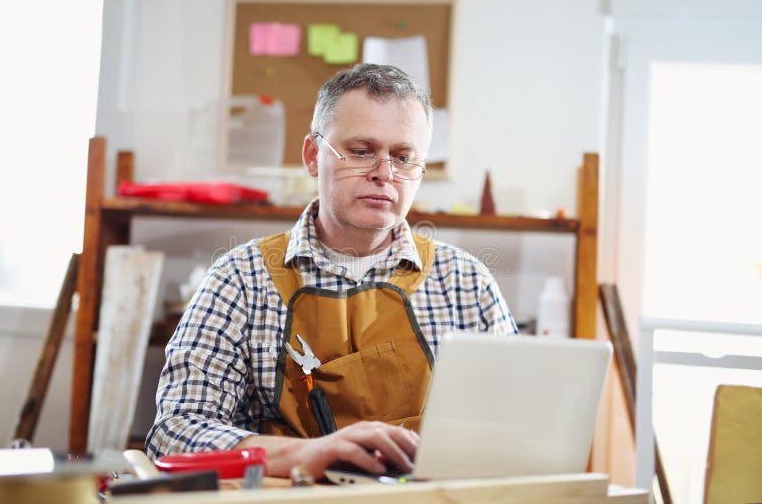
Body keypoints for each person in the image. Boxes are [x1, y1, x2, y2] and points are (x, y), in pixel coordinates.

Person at [146, 63, 518, 479]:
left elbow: (518, 431)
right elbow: (174, 433)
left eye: (403, 157)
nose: (383, 173)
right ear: (312, 155)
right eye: (361, 151)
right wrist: (301, 455)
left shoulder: (467, 283)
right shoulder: (240, 279)